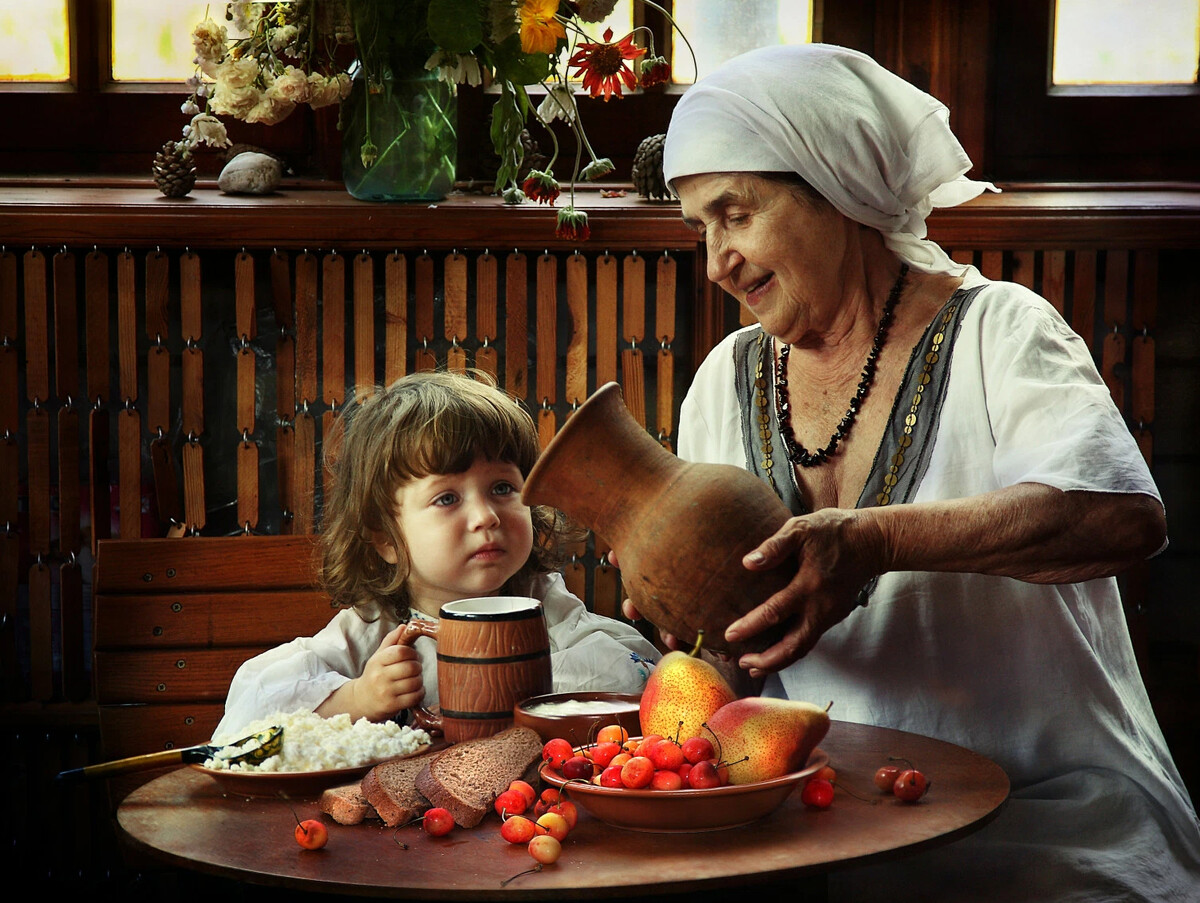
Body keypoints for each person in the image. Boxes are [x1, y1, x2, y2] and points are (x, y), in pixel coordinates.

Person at [636, 43, 1200, 901]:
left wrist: (877, 538)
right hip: (830, 820)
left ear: (837, 188)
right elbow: (747, 662)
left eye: (735, 213)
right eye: (700, 228)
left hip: (1051, 812)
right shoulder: (725, 379)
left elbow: (1124, 516)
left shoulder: (1002, 331)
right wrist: (695, 619)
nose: (715, 260)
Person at [214, 371, 657, 742]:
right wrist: (358, 699)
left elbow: (636, 678)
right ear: (385, 538)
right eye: (447, 498)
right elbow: (255, 702)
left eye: (503, 488)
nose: (486, 516)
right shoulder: (375, 628)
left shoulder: (547, 607)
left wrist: (514, 680)